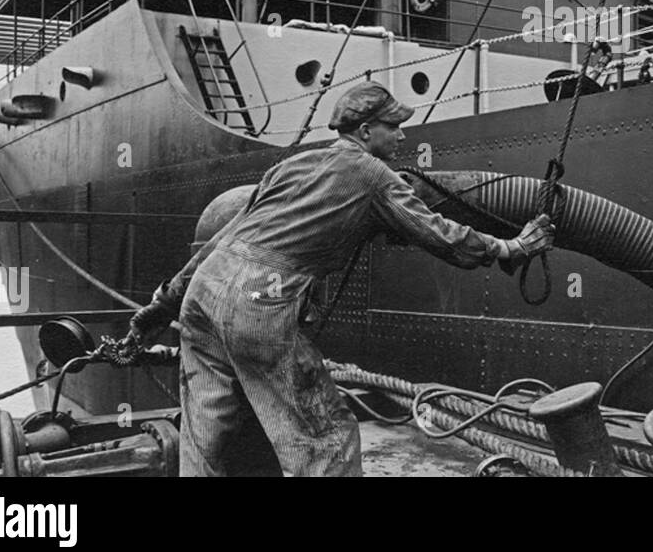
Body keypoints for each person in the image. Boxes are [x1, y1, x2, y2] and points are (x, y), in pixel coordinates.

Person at [128, 82, 555, 476]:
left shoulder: (293, 164)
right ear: (366, 131)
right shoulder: (373, 176)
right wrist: (512, 248)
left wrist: (159, 307)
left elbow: (220, 240)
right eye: (395, 127)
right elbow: (441, 235)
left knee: (204, 435)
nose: (403, 136)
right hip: (259, 300)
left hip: (204, 292)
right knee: (326, 435)